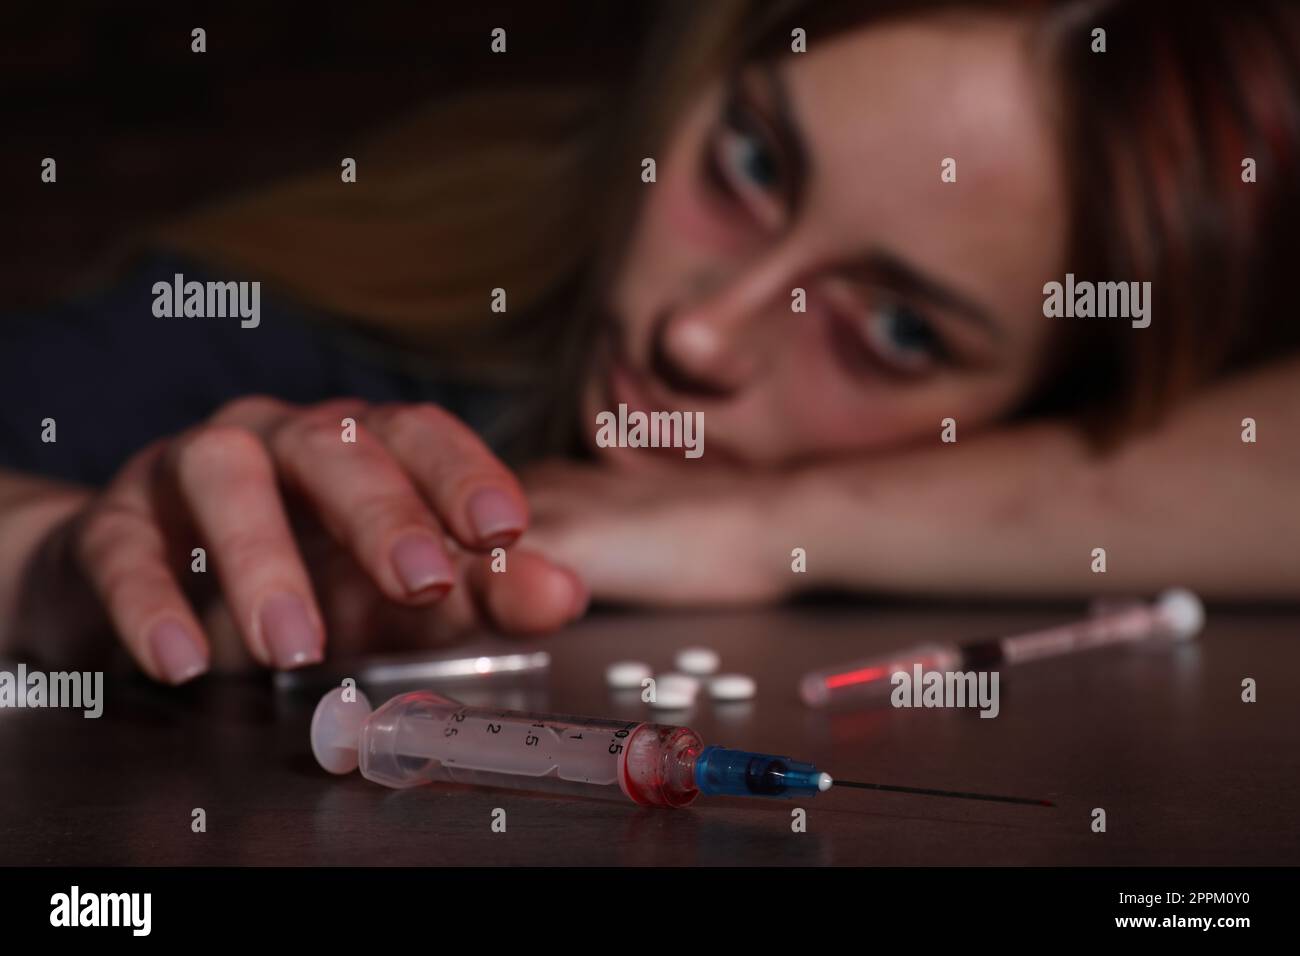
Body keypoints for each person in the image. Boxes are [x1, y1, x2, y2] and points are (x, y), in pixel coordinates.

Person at [3, 0, 1298, 685]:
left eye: (895, 331)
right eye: (748, 161)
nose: (698, 330)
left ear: (1063, 390)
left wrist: (764, 525)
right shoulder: (328, 341)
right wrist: (57, 574)